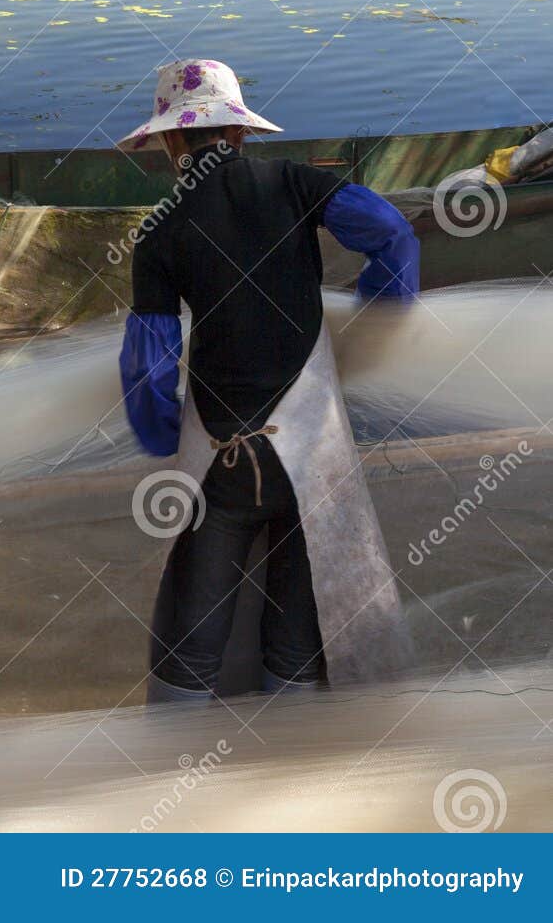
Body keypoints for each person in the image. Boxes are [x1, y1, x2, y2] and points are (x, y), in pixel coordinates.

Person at [116, 58, 418, 703]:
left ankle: (172, 762)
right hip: (312, 450)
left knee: (190, 642)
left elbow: (150, 366)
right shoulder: (294, 183)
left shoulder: (158, 233)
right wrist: (383, 302)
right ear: (239, 133)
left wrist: (163, 433)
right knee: (301, 627)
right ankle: (293, 753)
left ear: (171, 141)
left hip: (227, 457)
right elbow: (391, 231)